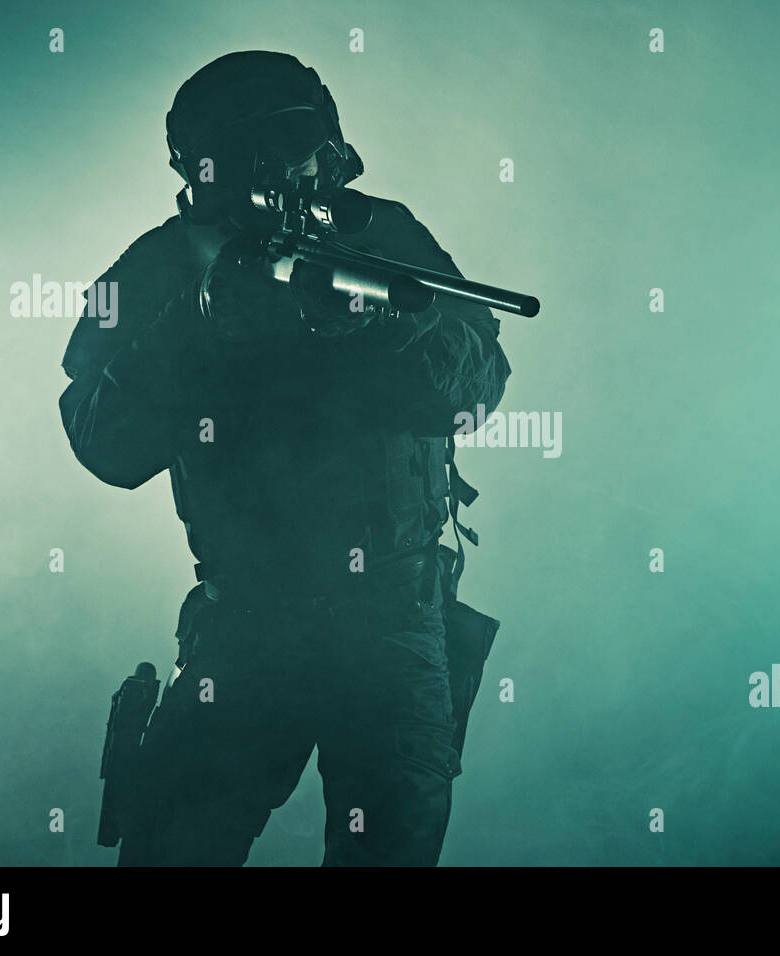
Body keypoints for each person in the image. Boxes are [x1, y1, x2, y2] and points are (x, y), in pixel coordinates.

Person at [59, 50, 510, 865]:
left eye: (292, 148)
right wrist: (197, 325)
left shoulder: (383, 235)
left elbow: (476, 384)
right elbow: (103, 443)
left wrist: (385, 325)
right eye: (244, 157)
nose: (279, 176)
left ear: (331, 151)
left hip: (392, 617)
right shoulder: (163, 264)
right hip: (248, 623)